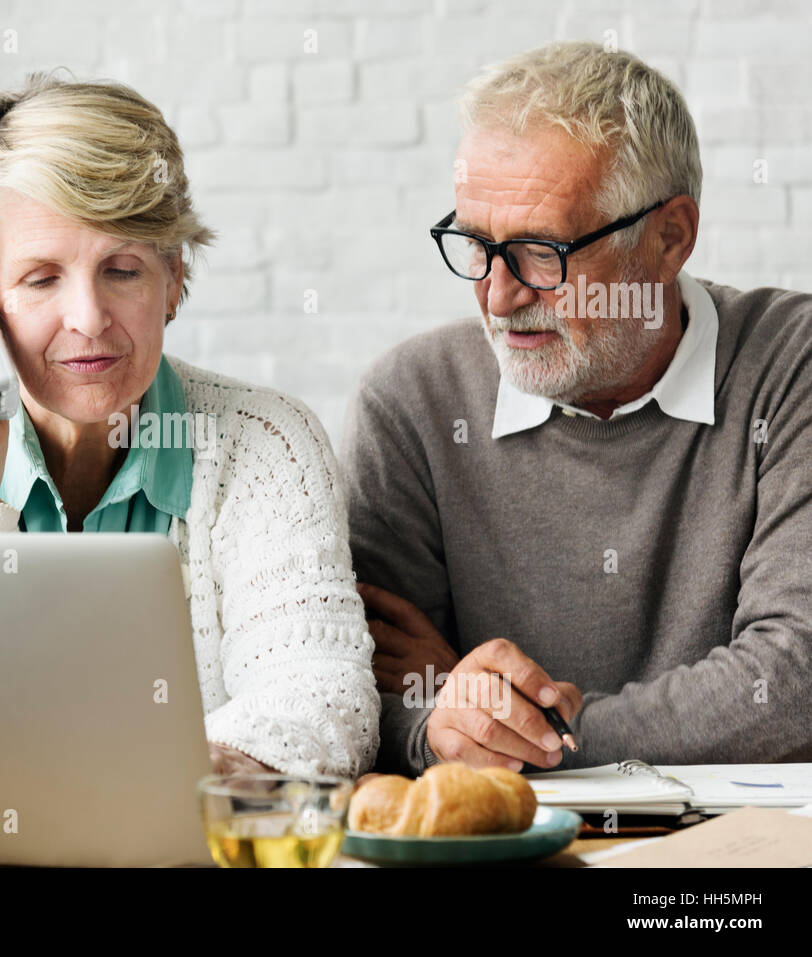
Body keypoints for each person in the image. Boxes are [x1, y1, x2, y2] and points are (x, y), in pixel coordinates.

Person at [0, 72, 380, 779]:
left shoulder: (268, 445)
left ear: (174, 279)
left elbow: (324, 702)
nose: (87, 318)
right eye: (42, 278)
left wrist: (143, 778)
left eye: (122, 269)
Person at [342, 42, 812, 775]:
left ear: (669, 237)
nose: (498, 297)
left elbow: (790, 682)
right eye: (475, 244)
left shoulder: (791, 364)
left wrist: (524, 727)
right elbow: (365, 695)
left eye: (541, 251)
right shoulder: (411, 404)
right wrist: (441, 722)